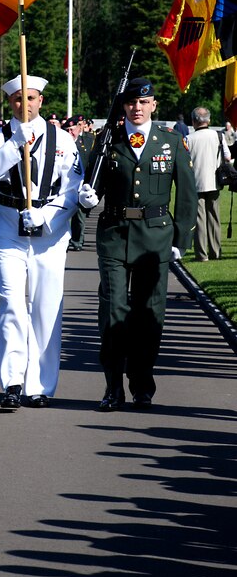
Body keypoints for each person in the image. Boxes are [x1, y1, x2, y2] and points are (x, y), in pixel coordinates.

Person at [79, 77, 198, 411]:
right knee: (114, 311)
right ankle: (113, 386)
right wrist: (87, 196)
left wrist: (181, 239)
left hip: (155, 236)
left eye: (144, 102)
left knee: (149, 313)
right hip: (115, 234)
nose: (137, 108)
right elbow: (93, 186)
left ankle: (142, 385)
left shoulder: (171, 141)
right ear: (124, 106)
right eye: (131, 102)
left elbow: (187, 194)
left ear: (153, 105)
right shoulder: (108, 140)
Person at [0, 75, 83, 409]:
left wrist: (49, 215)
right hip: (8, 228)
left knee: (46, 307)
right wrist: (11, 146)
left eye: (32, 98)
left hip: (48, 234)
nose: (26, 104)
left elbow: (72, 185)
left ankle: (39, 385)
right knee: (10, 303)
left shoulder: (62, 138)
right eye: (18, 99)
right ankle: (12, 381)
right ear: (10, 103)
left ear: (41, 101)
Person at [185, 106, 231, 262]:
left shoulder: (188, 138)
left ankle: (202, 254)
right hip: (214, 181)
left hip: (196, 183)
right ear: (209, 120)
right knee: (214, 219)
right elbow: (227, 156)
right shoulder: (218, 135)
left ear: (194, 121)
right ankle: (215, 252)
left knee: (199, 220)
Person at [62, 115, 92, 251]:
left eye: (72, 129)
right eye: (67, 130)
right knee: (65, 214)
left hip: (83, 184)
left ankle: (77, 240)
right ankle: (69, 240)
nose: (70, 133)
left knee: (80, 215)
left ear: (79, 128)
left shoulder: (87, 141)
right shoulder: (62, 142)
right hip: (65, 185)